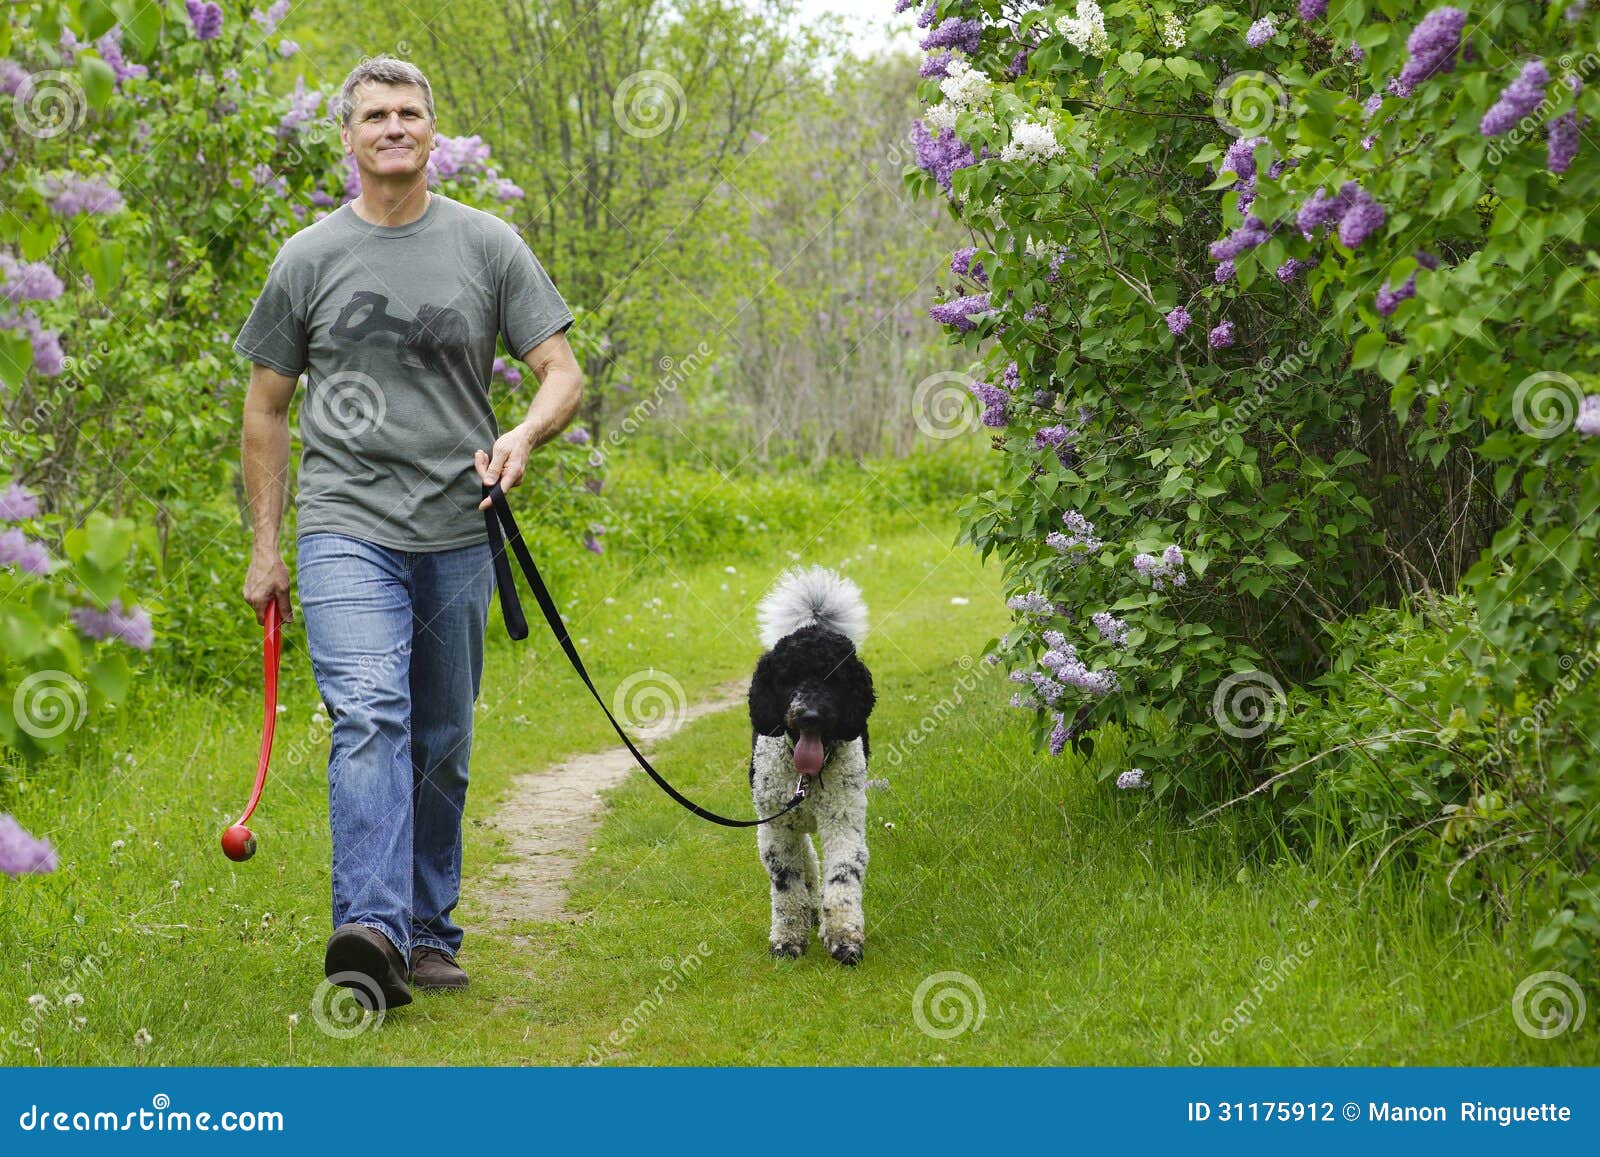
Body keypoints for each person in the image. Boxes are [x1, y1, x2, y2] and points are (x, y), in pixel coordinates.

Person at [235, 55, 583, 1009]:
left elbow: (561, 370)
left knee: (439, 740)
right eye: (375, 115)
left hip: (459, 529)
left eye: (410, 113)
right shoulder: (306, 258)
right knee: (370, 714)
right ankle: (373, 933)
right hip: (345, 523)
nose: (393, 126)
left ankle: (430, 930)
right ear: (348, 138)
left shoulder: (487, 245)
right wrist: (268, 547)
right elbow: (265, 409)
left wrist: (521, 432)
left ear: (433, 133)